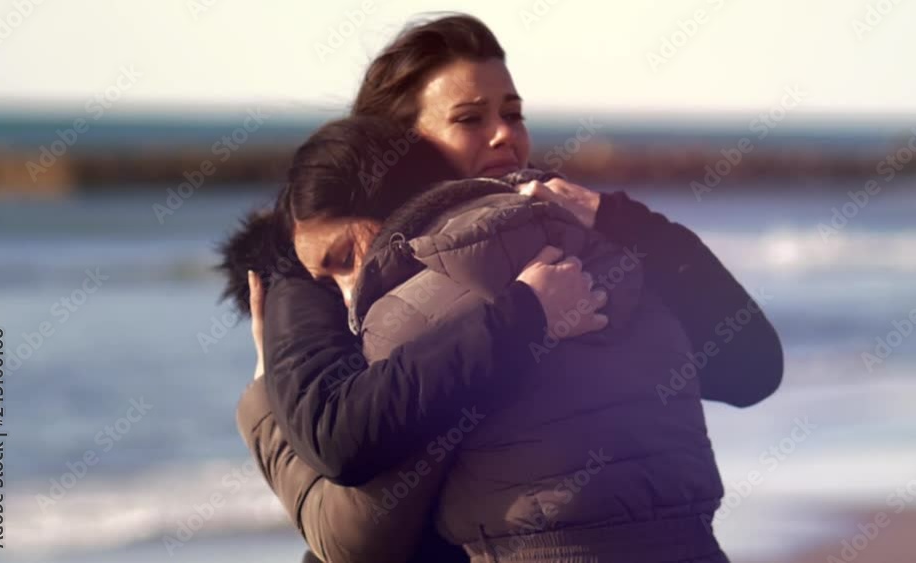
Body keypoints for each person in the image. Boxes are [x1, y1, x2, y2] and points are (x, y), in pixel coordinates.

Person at [237, 12, 782, 562]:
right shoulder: (330, 259)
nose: (504, 134)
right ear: (401, 147)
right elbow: (338, 438)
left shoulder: (561, 241)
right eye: (470, 118)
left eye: (513, 113)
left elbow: (747, 367)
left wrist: (622, 221)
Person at [224, 116, 608, 563]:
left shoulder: (436, 306)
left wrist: (263, 400)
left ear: (396, 205)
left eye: (347, 258)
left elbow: (350, 534)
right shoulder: (375, 322)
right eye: (327, 283)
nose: (348, 297)